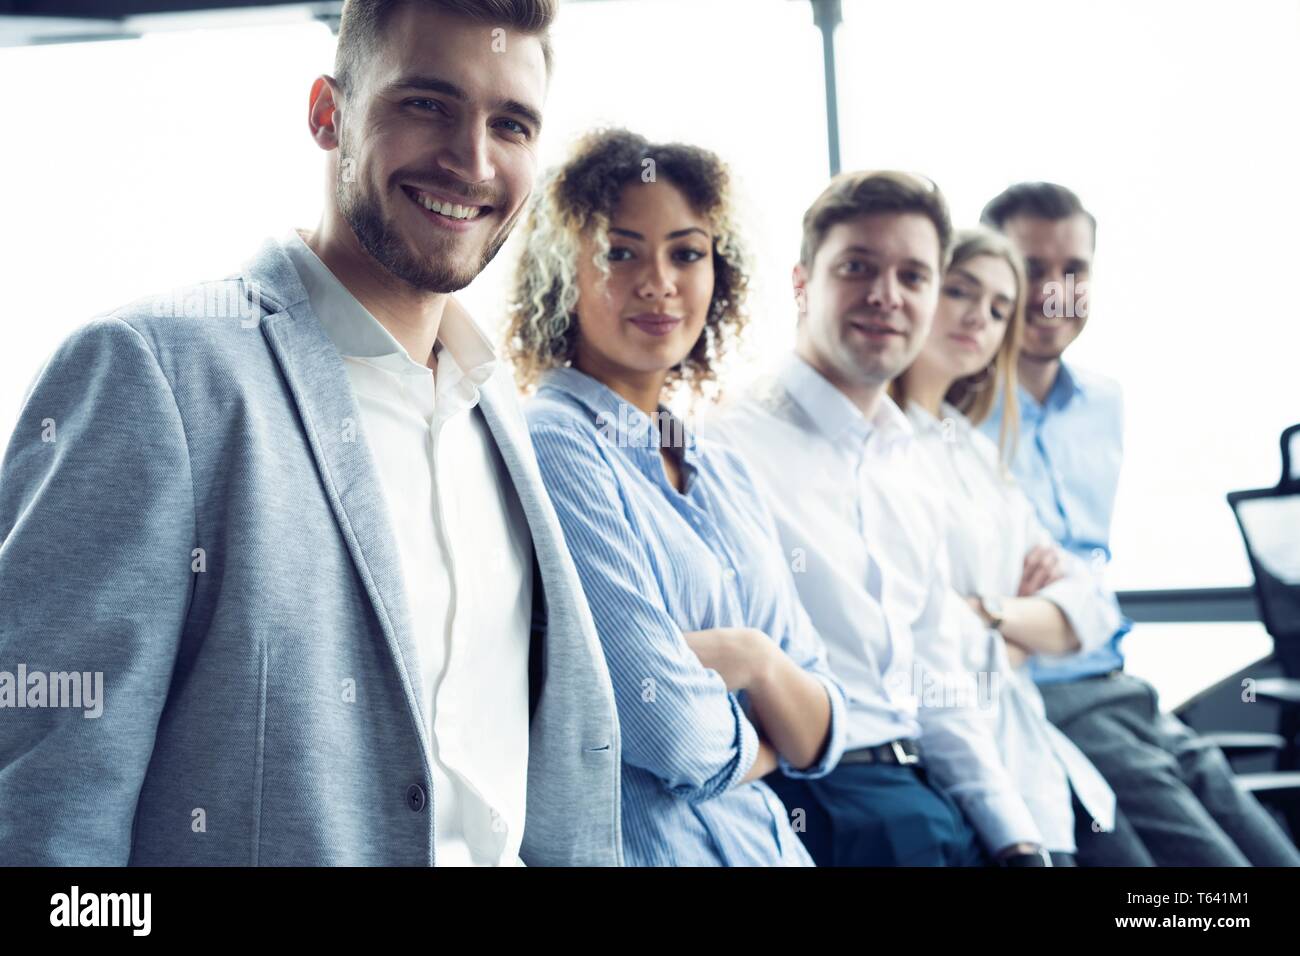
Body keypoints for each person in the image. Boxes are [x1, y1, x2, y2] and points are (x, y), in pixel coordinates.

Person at [0, 0, 623, 867]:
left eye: (509, 124)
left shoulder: (499, 410)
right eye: (426, 104)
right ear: (328, 114)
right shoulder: (154, 373)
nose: (472, 160)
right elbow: (46, 815)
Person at [511, 128, 847, 866]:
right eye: (620, 251)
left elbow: (823, 725)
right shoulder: (554, 442)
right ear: (563, 273)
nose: (658, 281)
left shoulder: (723, 467)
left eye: (687, 252)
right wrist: (764, 723)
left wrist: (751, 659)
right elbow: (669, 732)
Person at [708, 170, 1050, 866]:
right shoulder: (727, 446)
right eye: (857, 267)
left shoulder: (910, 463)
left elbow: (937, 676)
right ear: (802, 284)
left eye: (913, 276)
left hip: (929, 796)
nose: (886, 296)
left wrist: (1016, 837)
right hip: (821, 803)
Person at [979, 181, 1300, 866]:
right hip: (1038, 696)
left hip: (1122, 683)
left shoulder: (1103, 403)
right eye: (1032, 268)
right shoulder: (953, 416)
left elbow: (1084, 572)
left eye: (1074, 271)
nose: (1054, 292)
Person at [893, 225, 1139, 865]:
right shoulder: (879, 445)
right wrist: (1014, 633)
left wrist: (991, 614)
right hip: (957, 763)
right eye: (960, 292)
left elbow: (1084, 603)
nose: (981, 317)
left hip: (1030, 766)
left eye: (1000, 308)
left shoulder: (972, 448)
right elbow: (924, 644)